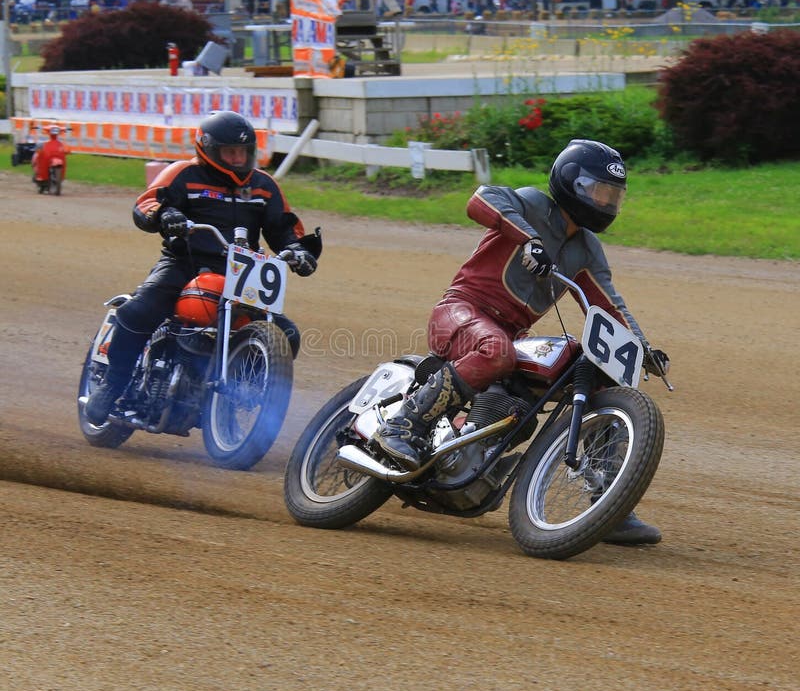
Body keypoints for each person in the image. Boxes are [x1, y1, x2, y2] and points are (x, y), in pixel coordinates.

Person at [374, 139, 670, 546]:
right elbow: (481, 200)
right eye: (598, 191)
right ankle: (404, 426)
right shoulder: (531, 203)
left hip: (512, 336)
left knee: (590, 367)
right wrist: (529, 238)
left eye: (612, 195)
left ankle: (609, 496)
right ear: (571, 183)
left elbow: (608, 303)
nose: (605, 203)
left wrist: (642, 346)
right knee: (494, 351)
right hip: (461, 310)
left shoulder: (587, 249)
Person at [84, 110, 321, 426]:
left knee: (287, 333)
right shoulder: (183, 173)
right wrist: (165, 215)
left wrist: (297, 250)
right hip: (186, 263)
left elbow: (283, 228)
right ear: (208, 150)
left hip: (241, 275)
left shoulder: (264, 185)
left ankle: (233, 394)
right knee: (139, 310)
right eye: (229, 152)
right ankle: (114, 382)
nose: (237, 159)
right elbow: (147, 203)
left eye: (243, 152)